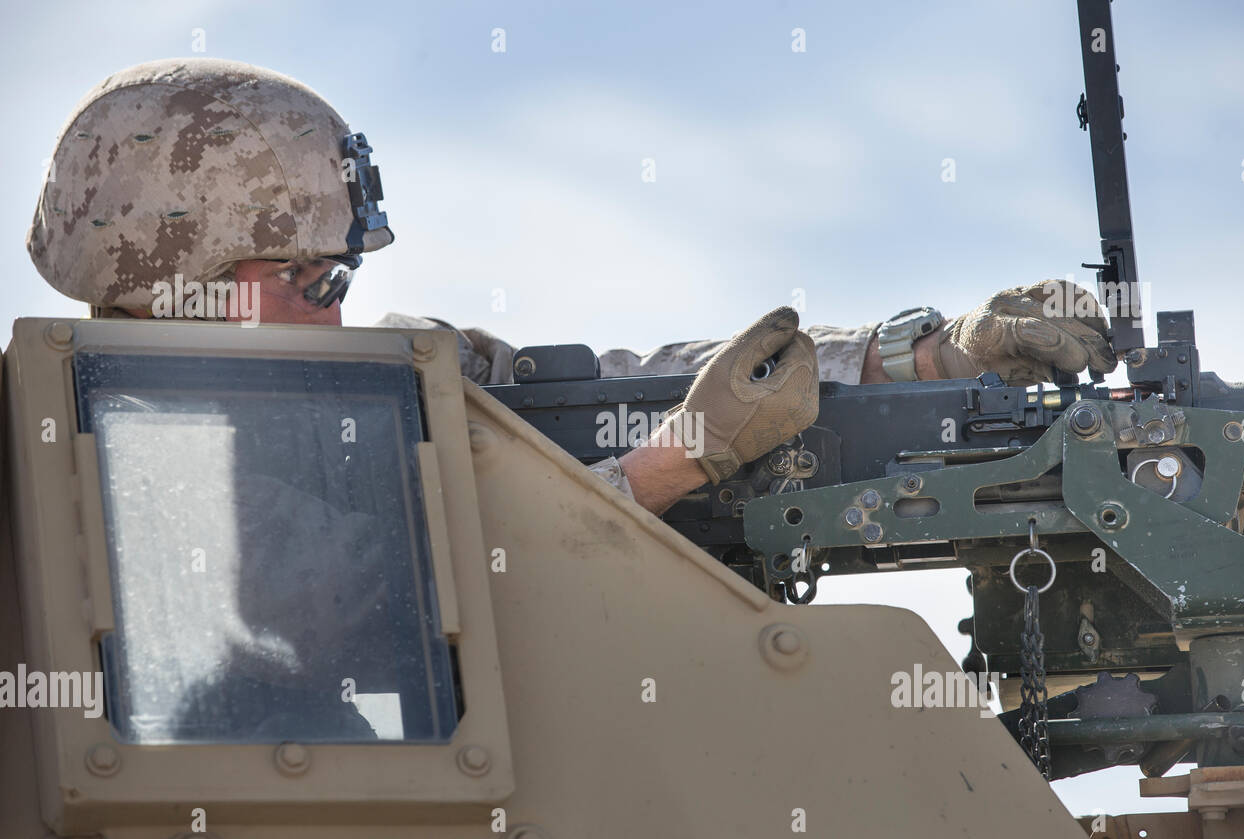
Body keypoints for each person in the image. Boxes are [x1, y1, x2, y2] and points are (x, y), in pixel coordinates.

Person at [28, 58, 1117, 515]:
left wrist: (913, 355)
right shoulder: (104, 474)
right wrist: (664, 469)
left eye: (343, 275)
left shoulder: (382, 376)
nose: (341, 307)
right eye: (311, 280)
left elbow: (595, 390)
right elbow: (397, 586)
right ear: (180, 286)